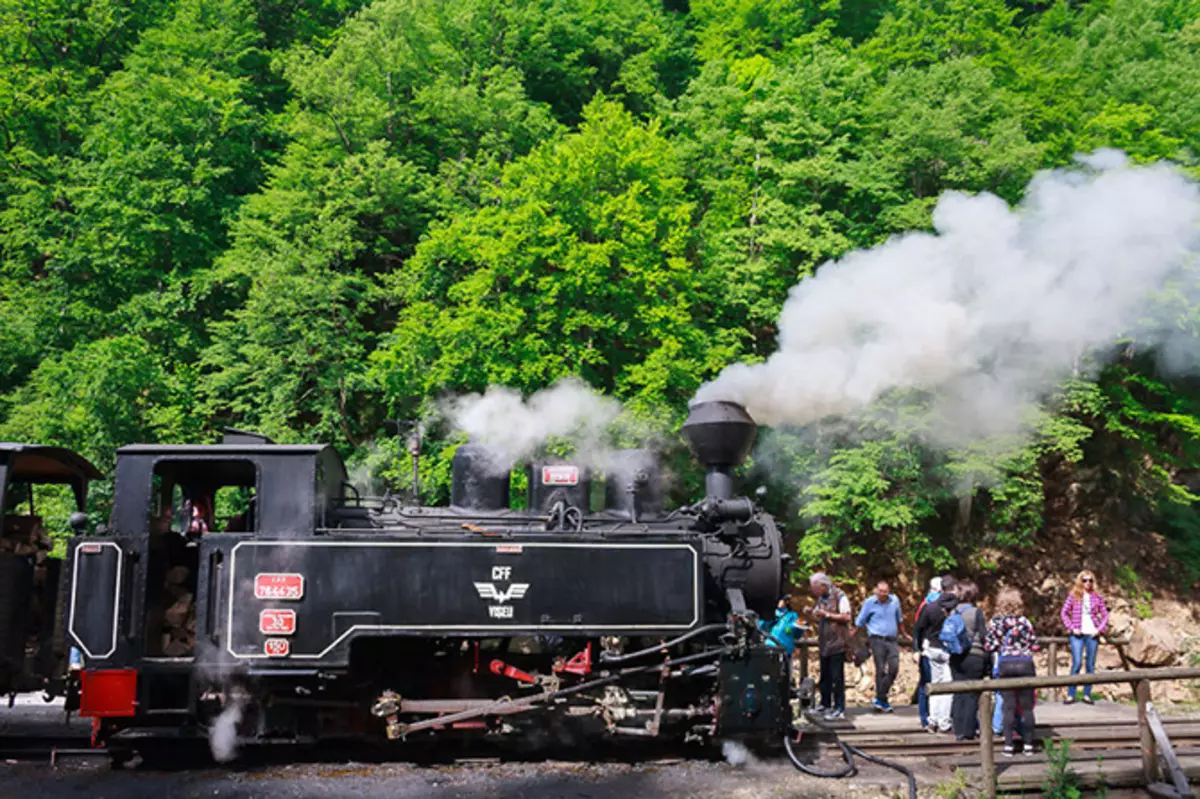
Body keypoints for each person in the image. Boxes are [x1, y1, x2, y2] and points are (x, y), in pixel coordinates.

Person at [985, 588, 1038, 756]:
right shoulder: (1025, 622)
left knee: (1008, 707)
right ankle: (1028, 745)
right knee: (1027, 707)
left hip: (1006, 663)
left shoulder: (995, 622)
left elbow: (989, 646)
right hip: (1025, 663)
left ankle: (1008, 746)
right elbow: (1034, 644)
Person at [914, 575, 958, 733]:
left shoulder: (930, 606)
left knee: (935, 685)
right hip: (949, 650)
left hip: (932, 648)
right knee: (948, 686)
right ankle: (944, 721)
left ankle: (932, 720)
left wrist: (919, 648)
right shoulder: (957, 606)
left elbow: (919, 629)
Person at [808, 572, 853, 721]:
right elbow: (818, 616)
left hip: (838, 643)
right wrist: (812, 613)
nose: (813, 591)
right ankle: (824, 703)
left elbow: (846, 616)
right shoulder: (821, 598)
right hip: (824, 643)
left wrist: (827, 615)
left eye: (815, 587)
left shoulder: (840, 596)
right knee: (825, 676)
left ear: (823, 586)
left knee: (837, 677)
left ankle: (839, 707)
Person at [1060, 570, 1109, 705]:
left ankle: (1087, 694)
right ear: (1080, 581)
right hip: (1077, 634)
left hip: (1092, 633)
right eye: (1085, 580)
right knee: (1076, 663)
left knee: (1090, 665)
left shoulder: (1097, 597)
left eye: (1090, 580)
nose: (1087, 583)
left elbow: (1105, 615)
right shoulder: (1073, 596)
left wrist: (1099, 630)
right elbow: (1064, 613)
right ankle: (1071, 694)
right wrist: (1071, 627)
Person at [949, 579, 988, 741]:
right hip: (974, 655)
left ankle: (958, 729)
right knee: (972, 693)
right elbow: (984, 635)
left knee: (958, 692)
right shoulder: (976, 612)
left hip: (956, 655)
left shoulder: (952, 611)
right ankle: (968, 730)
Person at [856, 580, 904, 712]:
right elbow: (860, 621)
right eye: (881, 592)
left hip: (892, 639)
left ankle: (880, 696)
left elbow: (899, 619)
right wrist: (853, 635)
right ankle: (883, 700)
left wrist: (904, 633)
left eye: (886, 592)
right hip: (876, 638)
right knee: (880, 669)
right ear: (876, 591)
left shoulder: (894, 601)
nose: (883, 594)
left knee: (894, 668)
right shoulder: (869, 603)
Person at [914, 577, 942, 728]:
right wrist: (917, 649)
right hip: (927, 649)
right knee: (926, 683)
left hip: (933, 648)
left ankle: (933, 716)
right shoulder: (926, 606)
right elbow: (918, 629)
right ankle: (925, 717)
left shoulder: (934, 605)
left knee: (932, 683)